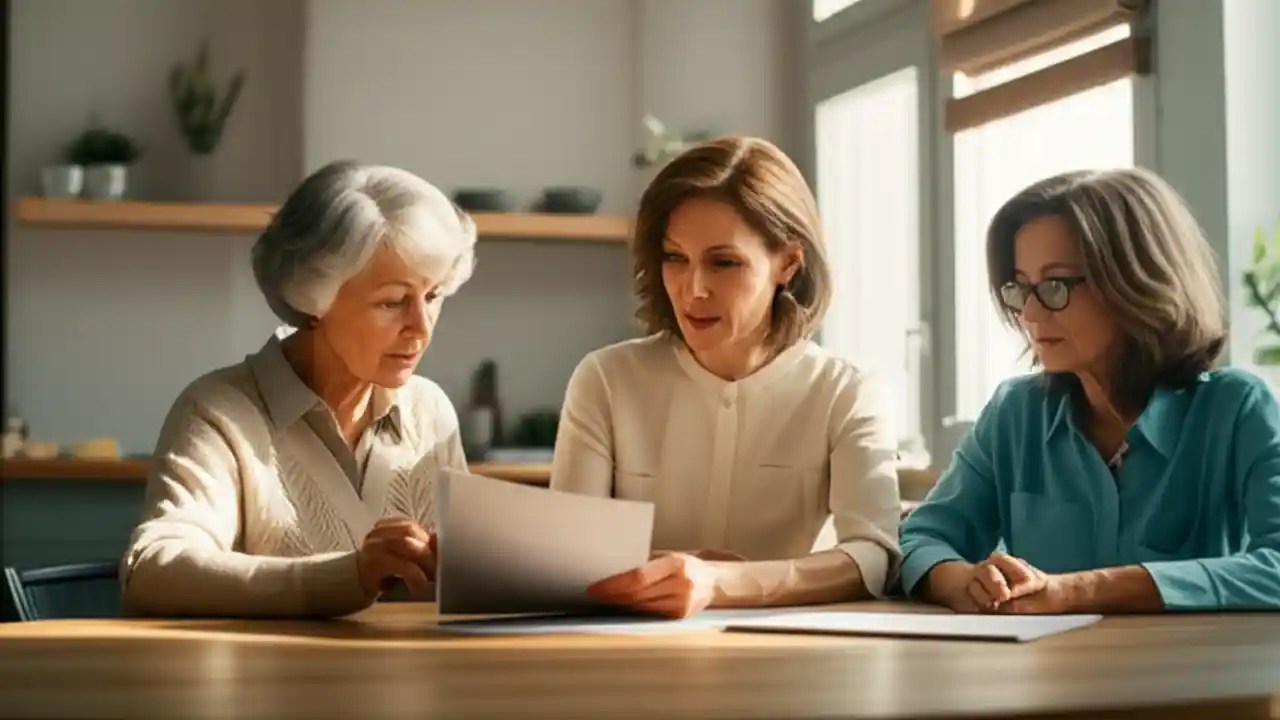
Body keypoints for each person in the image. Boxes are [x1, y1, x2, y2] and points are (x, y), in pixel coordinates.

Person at [550, 136, 902, 618]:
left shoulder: (846, 390)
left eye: (724, 263)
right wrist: (668, 572)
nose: (694, 289)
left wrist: (723, 583)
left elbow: (874, 558)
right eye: (675, 258)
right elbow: (564, 557)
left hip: (787, 659)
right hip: (623, 654)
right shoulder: (606, 379)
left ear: (788, 263)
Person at [900, 168, 1280, 613]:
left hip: (1193, 680)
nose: (1031, 314)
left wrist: (1078, 591)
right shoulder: (1014, 413)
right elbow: (921, 538)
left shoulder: (1236, 409)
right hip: (1046, 679)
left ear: (1138, 280)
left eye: (1056, 284)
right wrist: (965, 580)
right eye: (1020, 288)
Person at [120, 161, 476, 617]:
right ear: (313, 297)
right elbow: (153, 570)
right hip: (272, 686)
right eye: (392, 301)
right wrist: (348, 576)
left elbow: (465, 588)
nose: (420, 329)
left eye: (432, 297)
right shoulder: (220, 413)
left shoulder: (430, 411)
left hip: (418, 684)